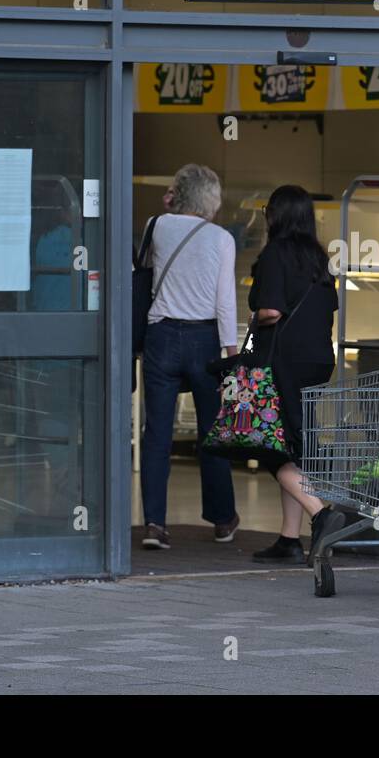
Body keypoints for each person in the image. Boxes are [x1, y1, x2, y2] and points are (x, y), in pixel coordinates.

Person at [140, 164, 241, 549]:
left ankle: (154, 524)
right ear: (211, 199)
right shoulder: (221, 238)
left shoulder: (157, 225)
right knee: (211, 434)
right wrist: (232, 353)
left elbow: (144, 268)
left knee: (157, 435)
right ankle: (222, 519)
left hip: (161, 335)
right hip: (204, 339)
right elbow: (225, 301)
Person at [247, 185, 348, 564]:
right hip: (318, 360)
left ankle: (322, 513)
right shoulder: (319, 258)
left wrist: (253, 317)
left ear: (276, 215)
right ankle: (289, 538)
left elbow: (271, 311)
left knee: (271, 446)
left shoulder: (275, 254)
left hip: (282, 359)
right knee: (293, 442)